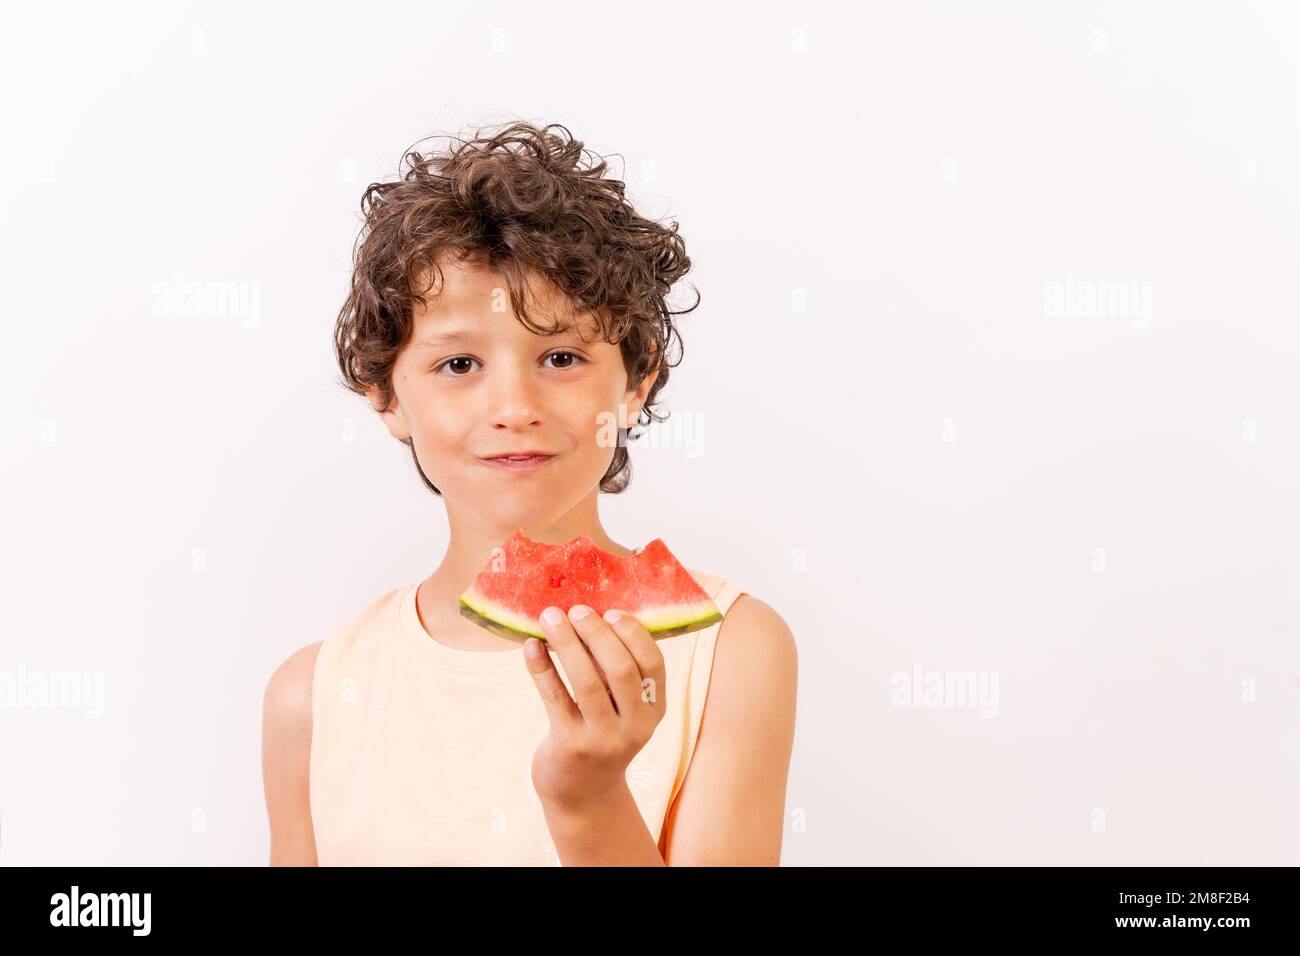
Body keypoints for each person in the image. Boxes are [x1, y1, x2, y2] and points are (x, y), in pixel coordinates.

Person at [261, 120, 798, 866]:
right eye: (458, 365)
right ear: (385, 395)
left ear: (637, 379)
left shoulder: (730, 648)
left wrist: (587, 797)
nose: (515, 405)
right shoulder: (311, 699)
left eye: (561, 355)